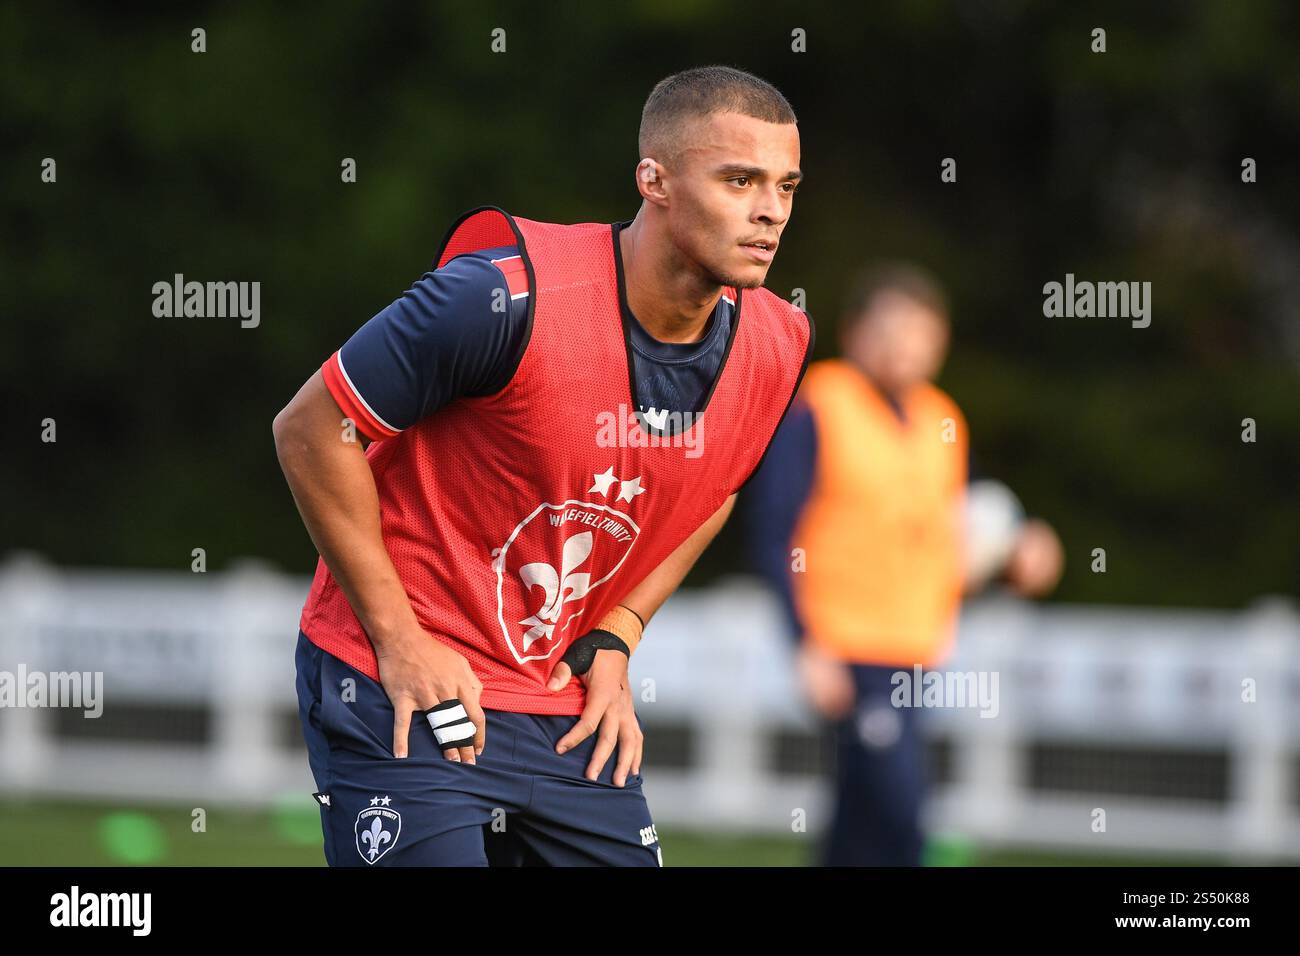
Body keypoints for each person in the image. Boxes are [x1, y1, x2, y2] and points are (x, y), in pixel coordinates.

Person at [272, 65, 813, 866]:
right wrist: (399, 638)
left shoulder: (778, 339)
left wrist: (617, 635)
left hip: (558, 705)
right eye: (739, 180)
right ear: (653, 179)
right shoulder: (499, 298)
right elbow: (312, 431)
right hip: (406, 677)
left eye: (786, 186)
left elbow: (716, 489)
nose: (770, 211)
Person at [745, 263, 1061, 866]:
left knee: (859, 821)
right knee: (901, 809)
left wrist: (1020, 552)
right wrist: (804, 642)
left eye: (921, 334)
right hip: (846, 646)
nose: (904, 347)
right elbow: (773, 533)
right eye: (889, 330)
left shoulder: (942, 418)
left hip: (917, 647)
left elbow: (960, 531)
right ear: (854, 331)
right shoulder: (820, 403)